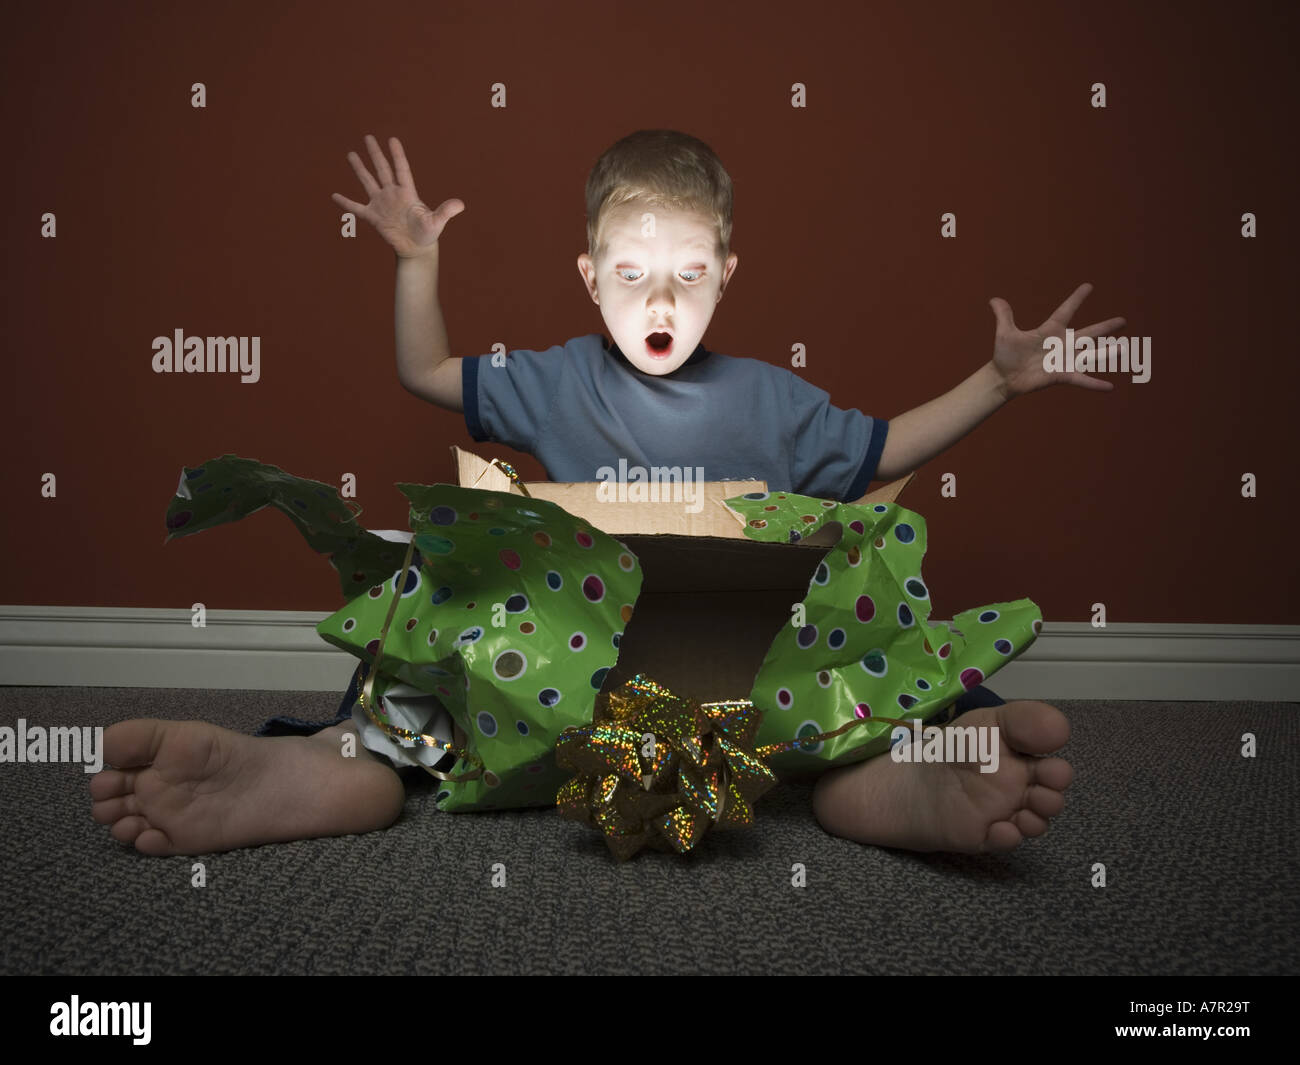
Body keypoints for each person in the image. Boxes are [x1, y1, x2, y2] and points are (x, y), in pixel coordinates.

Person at [93, 130, 1125, 857]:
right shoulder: (550, 379)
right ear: (590, 278)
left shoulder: (775, 400)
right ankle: (331, 765)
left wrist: (998, 381)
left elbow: (890, 448)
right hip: (561, 684)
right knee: (427, 611)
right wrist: (419, 259)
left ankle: (901, 777)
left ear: (727, 273)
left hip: (748, 691)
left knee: (891, 638)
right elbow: (424, 373)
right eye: (632, 275)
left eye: (688, 273)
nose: (661, 298)